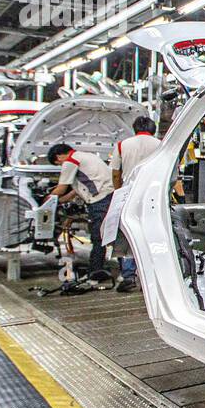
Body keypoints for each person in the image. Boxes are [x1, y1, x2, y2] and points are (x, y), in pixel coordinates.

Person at [46, 143, 114, 282]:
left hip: (100, 200)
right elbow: (74, 191)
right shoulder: (86, 156)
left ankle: (95, 273)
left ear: (59, 156)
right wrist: (59, 202)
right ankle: (97, 269)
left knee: (98, 237)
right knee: (103, 235)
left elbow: (61, 188)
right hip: (108, 196)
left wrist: (46, 200)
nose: (60, 165)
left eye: (58, 163)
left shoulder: (70, 161)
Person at [109, 116, 161, 293]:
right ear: (153, 129)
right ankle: (149, 277)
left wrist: (118, 191)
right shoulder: (160, 144)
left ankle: (129, 275)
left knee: (128, 233)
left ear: (134, 128)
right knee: (151, 234)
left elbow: (116, 173)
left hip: (129, 193)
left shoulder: (123, 145)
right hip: (153, 195)